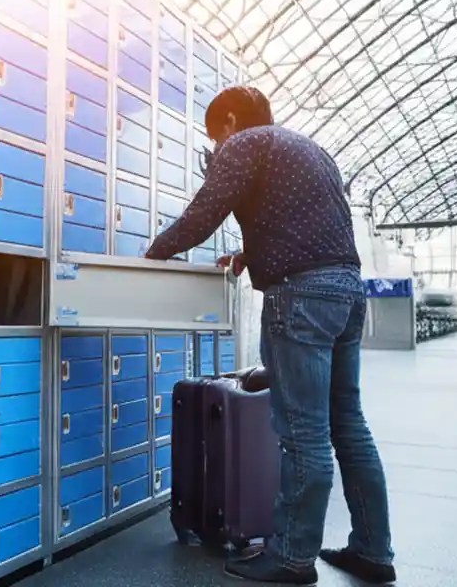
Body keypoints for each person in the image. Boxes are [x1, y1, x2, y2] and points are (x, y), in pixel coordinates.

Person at [144, 86, 396, 585]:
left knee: (303, 433)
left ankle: (291, 557)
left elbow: (203, 213)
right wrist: (247, 257)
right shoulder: (309, 149)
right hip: (346, 290)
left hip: (301, 298)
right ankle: (373, 548)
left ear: (230, 120)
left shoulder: (245, 143)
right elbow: (306, 227)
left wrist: (154, 254)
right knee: (348, 424)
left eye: (214, 136)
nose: (215, 148)